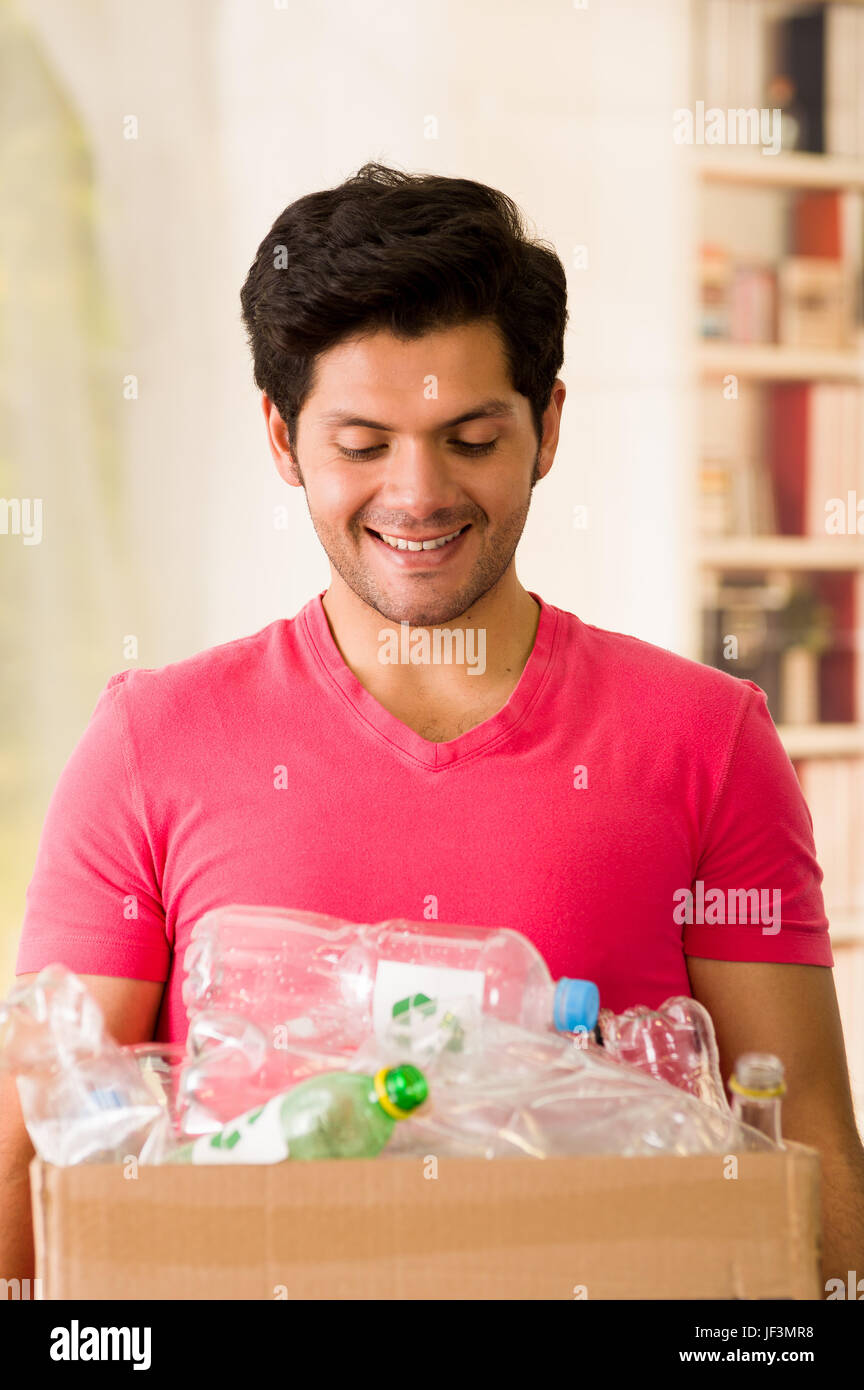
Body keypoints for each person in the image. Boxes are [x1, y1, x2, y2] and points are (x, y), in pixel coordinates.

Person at [2, 164, 862, 1287]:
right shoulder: (149, 745)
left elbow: (807, 1156)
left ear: (547, 426)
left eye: (470, 437)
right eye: (363, 444)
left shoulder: (704, 740)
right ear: (282, 438)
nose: (417, 495)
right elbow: (34, 1170)